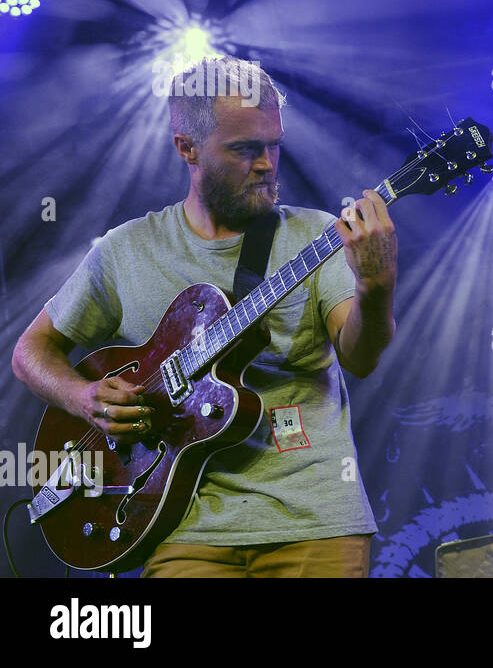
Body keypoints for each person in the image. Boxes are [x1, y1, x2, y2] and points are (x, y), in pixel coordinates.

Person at [11, 56, 397, 577]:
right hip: (176, 529)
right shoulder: (126, 250)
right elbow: (30, 352)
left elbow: (361, 356)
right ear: (186, 148)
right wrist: (85, 399)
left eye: (273, 145)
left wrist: (375, 285)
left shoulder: (316, 236)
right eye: (244, 149)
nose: (266, 163)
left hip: (314, 521)